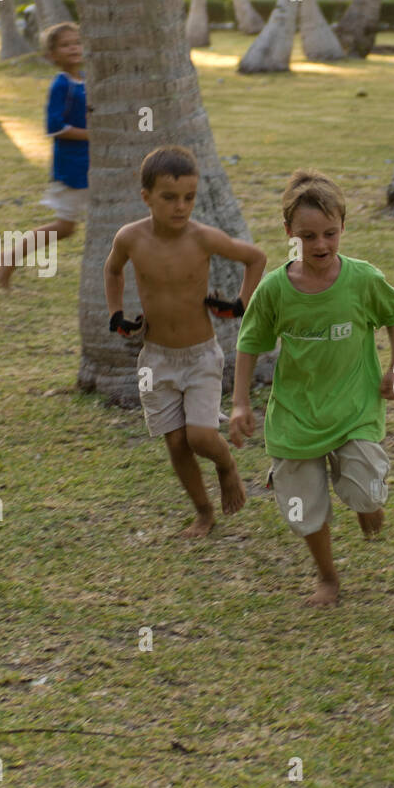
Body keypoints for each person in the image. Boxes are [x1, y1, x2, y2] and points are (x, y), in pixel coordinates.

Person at [229, 170, 394, 608]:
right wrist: (238, 403)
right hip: (296, 415)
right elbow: (250, 343)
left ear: (344, 226)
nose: (321, 245)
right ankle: (327, 578)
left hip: (354, 409)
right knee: (304, 511)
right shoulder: (274, 289)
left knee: (365, 489)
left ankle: (368, 502)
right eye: (308, 236)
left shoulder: (363, 279)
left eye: (330, 233)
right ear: (289, 233)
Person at [104, 145, 267, 538]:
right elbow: (112, 271)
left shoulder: (203, 238)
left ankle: (226, 466)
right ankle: (203, 512)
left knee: (200, 437)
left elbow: (256, 257)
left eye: (189, 198)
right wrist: (116, 316)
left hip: (200, 357)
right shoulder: (130, 238)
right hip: (155, 358)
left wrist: (239, 304)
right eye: (169, 197)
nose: (181, 207)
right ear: (146, 197)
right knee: (176, 443)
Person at [0, 22, 87, 288]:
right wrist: (92, 134)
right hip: (73, 168)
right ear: (52, 55)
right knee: (65, 227)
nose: (73, 48)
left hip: (94, 165)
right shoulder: (62, 85)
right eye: (65, 45)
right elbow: (55, 127)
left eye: (77, 42)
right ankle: (10, 259)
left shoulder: (85, 79)